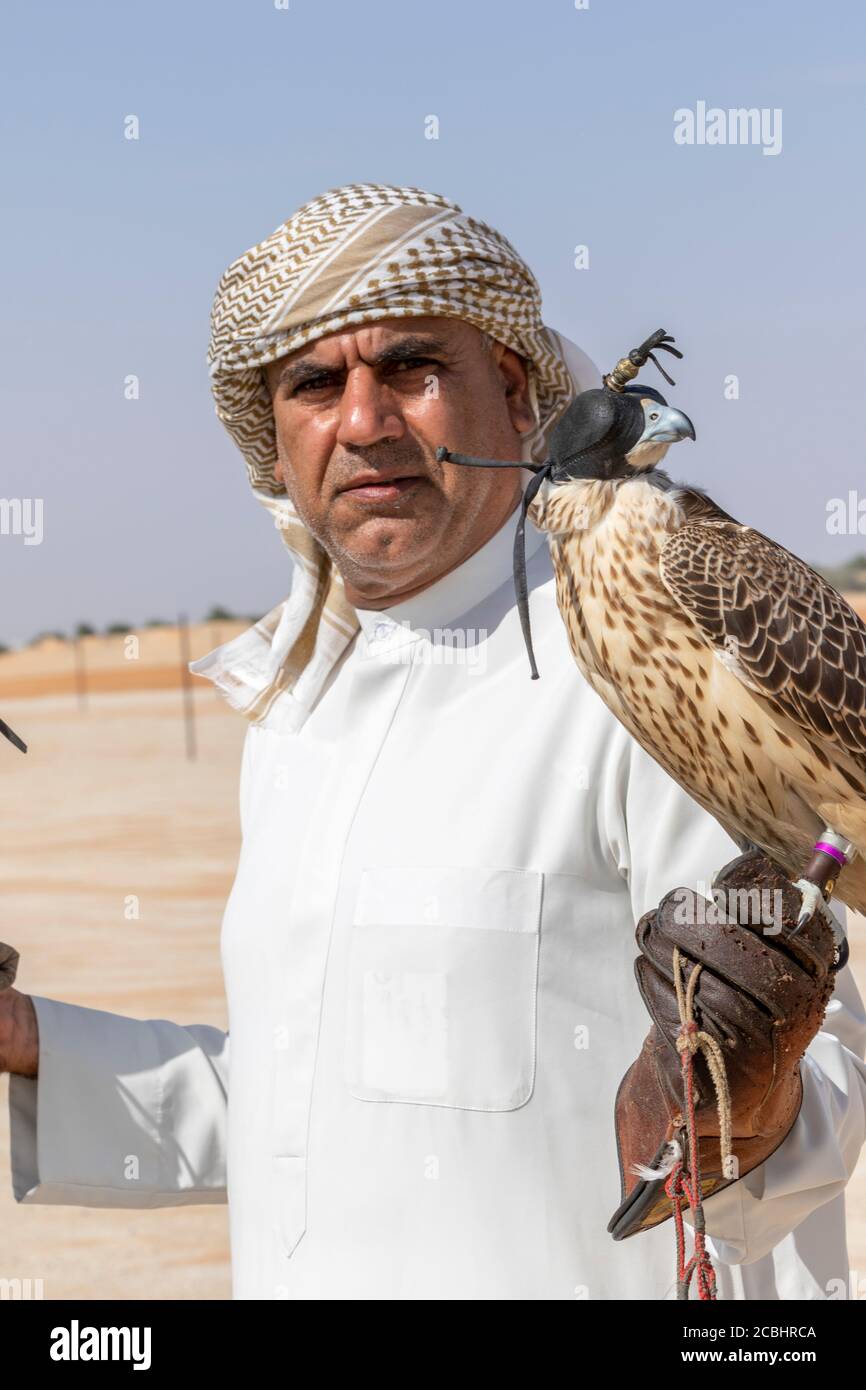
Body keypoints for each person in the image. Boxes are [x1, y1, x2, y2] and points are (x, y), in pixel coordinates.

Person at [3, 183, 865, 1301]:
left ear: (512, 396)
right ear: (275, 438)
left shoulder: (635, 643)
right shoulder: (296, 704)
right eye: (315, 383)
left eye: (410, 367)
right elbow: (301, 1115)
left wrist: (746, 1102)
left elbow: (818, 1066)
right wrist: (26, 1039)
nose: (363, 421)